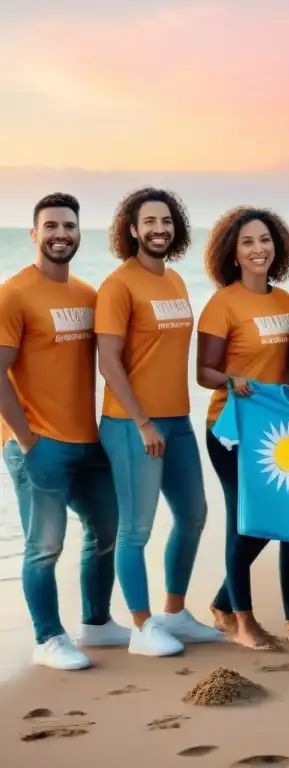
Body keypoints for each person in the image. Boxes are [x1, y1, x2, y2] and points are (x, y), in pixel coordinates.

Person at [0, 193, 130, 670]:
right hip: (37, 443)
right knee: (45, 547)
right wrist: (26, 440)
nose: (61, 234)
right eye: (51, 226)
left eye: (69, 226)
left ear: (79, 233)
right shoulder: (13, 294)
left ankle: (96, 623)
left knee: (107, 528)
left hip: (87, 441)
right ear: (34, 234)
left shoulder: (88, 295)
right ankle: (48, 638)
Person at [96, 187, 221, 657]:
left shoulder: (175, 281)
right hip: (132, 425)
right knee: (136, 529)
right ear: (132, 230)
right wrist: (143, 421)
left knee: (193, 515)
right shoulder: (118, 285)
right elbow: (109, 362)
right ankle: (141, 626)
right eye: (149, 221)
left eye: (166, 221)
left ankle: (173, 613)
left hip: (178, 419)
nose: (159, 229)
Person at [196, 206, 289, 651]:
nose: (258, 249)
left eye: (264, 240)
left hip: (278, 431)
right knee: (245, 523)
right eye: (247, 242)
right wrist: (231, 379)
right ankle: (241, 620)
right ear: (233, 253)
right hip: (231, 429)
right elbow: (204, 372)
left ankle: (286, 618)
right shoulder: (223, 303)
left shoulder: (285, 301)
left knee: (288, 521)